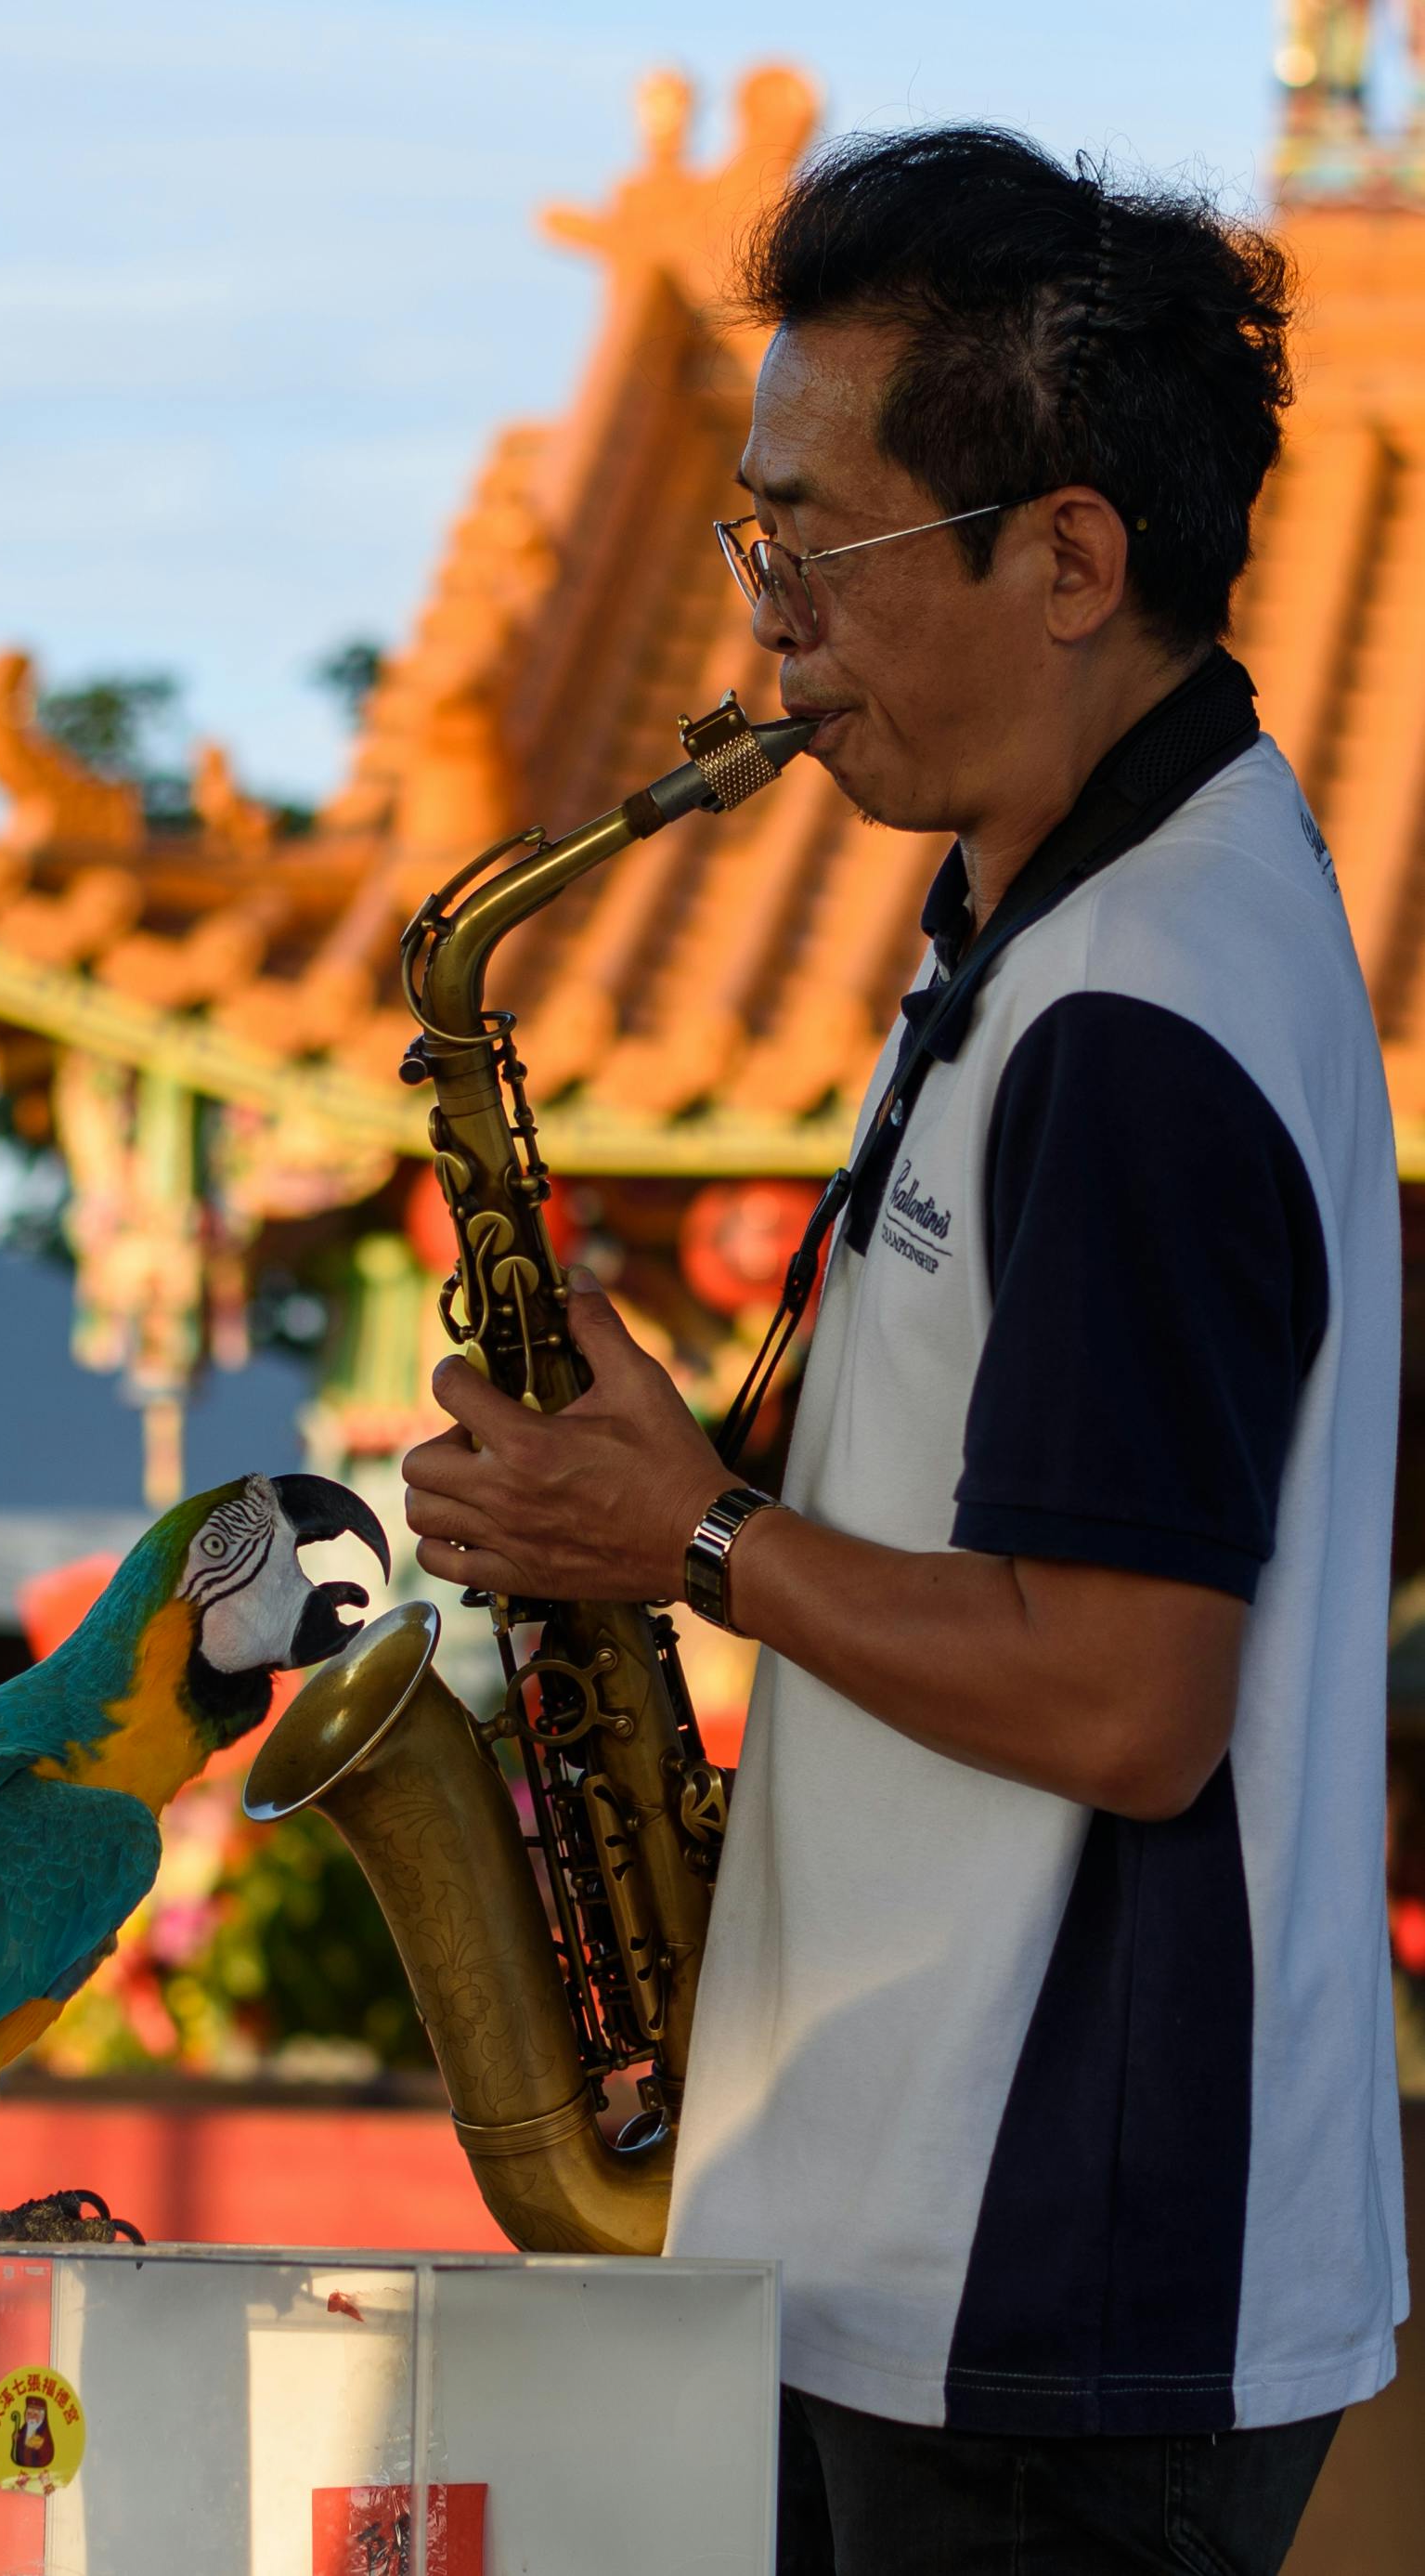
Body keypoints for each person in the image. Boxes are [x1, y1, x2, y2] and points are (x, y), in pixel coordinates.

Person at [401, 125, 1404, 2574]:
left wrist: (696, 1533)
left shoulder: (1144, 1015)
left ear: (1069, 559)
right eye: (746, 541)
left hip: (1047, 2301)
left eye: (811, 548)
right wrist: (680, 1469)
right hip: (940, 2260)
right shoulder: (1042, 921)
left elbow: (1120, 1697)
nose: (761, 626)